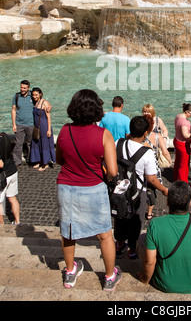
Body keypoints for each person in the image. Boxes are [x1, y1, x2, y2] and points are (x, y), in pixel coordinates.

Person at [55, 89, 121, 291]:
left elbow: (58, 160)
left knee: (68, 232)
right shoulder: (103, 134)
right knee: (105, 235)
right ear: (97, 109)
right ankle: (109, 277)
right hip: (93, 188)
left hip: (66, 187)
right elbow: (112, 171)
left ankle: (69, 272)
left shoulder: (65, 130)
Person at [137, 180, 191, 294]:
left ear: (167, 202)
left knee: (143, 238)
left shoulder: (156, 224)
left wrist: (145, 279)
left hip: (164, 283)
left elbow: (149, 262)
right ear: (190, 203)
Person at [114, 116, 168, 260]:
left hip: (119, 189)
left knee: (119, 217)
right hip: (137, 191)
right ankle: (132, 250)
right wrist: (163, 190)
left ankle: (119, 245)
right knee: (135, 220)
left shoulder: (117, 143)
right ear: (145, 133)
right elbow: (151, 178)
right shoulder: (147, 152)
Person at [11, 80, 50, 167]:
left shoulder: (32, 96)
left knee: (30, 143)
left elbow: (41, 100)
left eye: (24, 88)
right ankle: (17, 161)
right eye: (21, 87)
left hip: (31, 124)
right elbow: (13, 110)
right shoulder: (16, 96)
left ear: (28, 88)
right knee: (18, 144)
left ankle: (31, 159)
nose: (22, 89)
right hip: (19, 124)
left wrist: (49, 105)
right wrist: (14, 124)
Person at [143, 114, 172, 220]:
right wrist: (169, 160)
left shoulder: (137, 135)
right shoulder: (157, 136)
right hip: (152, 165)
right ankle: (149, 212)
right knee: (152, 188)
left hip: (140, 165)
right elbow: (165, 151)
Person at [30, 88, 56, 171]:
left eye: (36, 95)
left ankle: (45, 163)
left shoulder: (45, 102)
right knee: (37, 143)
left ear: (40, 94)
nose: (34, 96)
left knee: (44, 145)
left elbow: (48, 117)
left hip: (44, 127)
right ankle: (39, 160)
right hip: (37, 127)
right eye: (33, 95)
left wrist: (49, 130)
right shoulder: (35, 102)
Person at [0, 131, 20, 225]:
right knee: (12, 198)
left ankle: (1, 225)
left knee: (0, 202)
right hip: (13, 171)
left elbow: (1, 164)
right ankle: (17, 222)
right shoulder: (4, 136)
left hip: (3, 176)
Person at [173, 103, 191, 183]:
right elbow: (185, 135)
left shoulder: (178, 116)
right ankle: (182, 182)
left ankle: (176, 178)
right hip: (183, 144)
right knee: (183, 164)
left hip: (177, 140)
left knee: (177, 162)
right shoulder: (184, 122)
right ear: (187, 111)